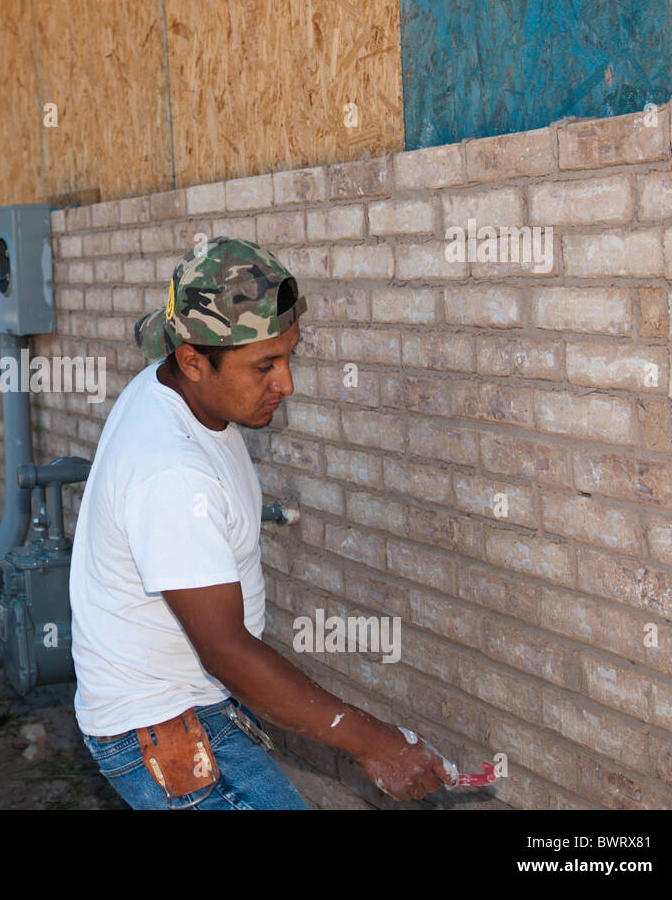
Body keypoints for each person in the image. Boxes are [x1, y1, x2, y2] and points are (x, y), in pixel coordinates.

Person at [69, 236, 455, 809]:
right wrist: (376, 744)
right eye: (264, 366)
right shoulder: (171, 474)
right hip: (157, 726)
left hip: (193, 703)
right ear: (193, 360)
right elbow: (225, 649)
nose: (286, 383)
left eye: (290, 356)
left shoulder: (181, 392)